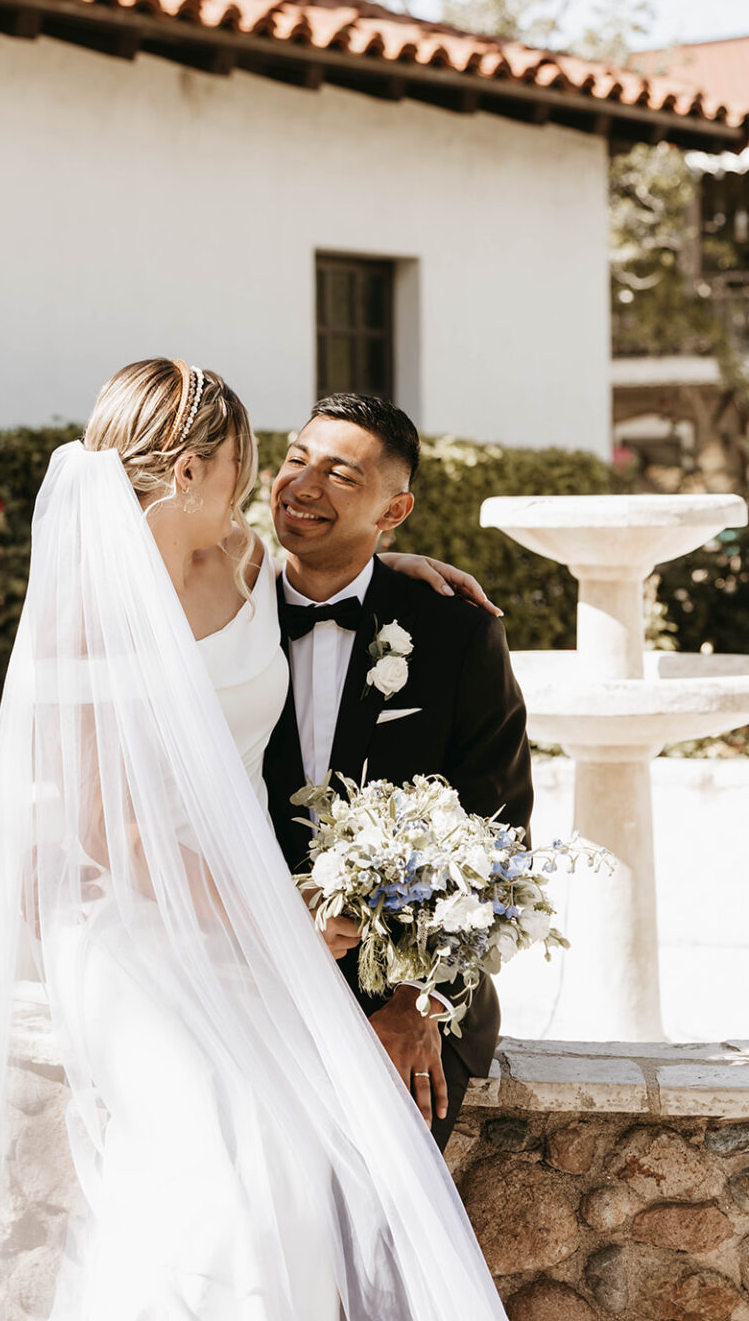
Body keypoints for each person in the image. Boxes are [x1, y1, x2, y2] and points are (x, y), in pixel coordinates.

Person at [0, 359, 510, 1321]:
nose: (277, 482)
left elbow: (323, 571)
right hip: (132, 927)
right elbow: (109, 829)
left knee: (293, 1170)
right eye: (262, 459)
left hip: (250, 923)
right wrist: (278, 916)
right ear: (189, 470)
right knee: (220, 1168)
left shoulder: (247, 562)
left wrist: (398, 575)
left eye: (325, 472)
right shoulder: (88, 602)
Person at [263, 392, 533, 1151]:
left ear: (395, 510)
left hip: (400, 994)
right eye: (295, 461)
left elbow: (499, 829)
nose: (304, 486)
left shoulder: (455, 630)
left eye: (341, 476)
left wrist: (420, 1002)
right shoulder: (221, 614)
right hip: (246, 976)